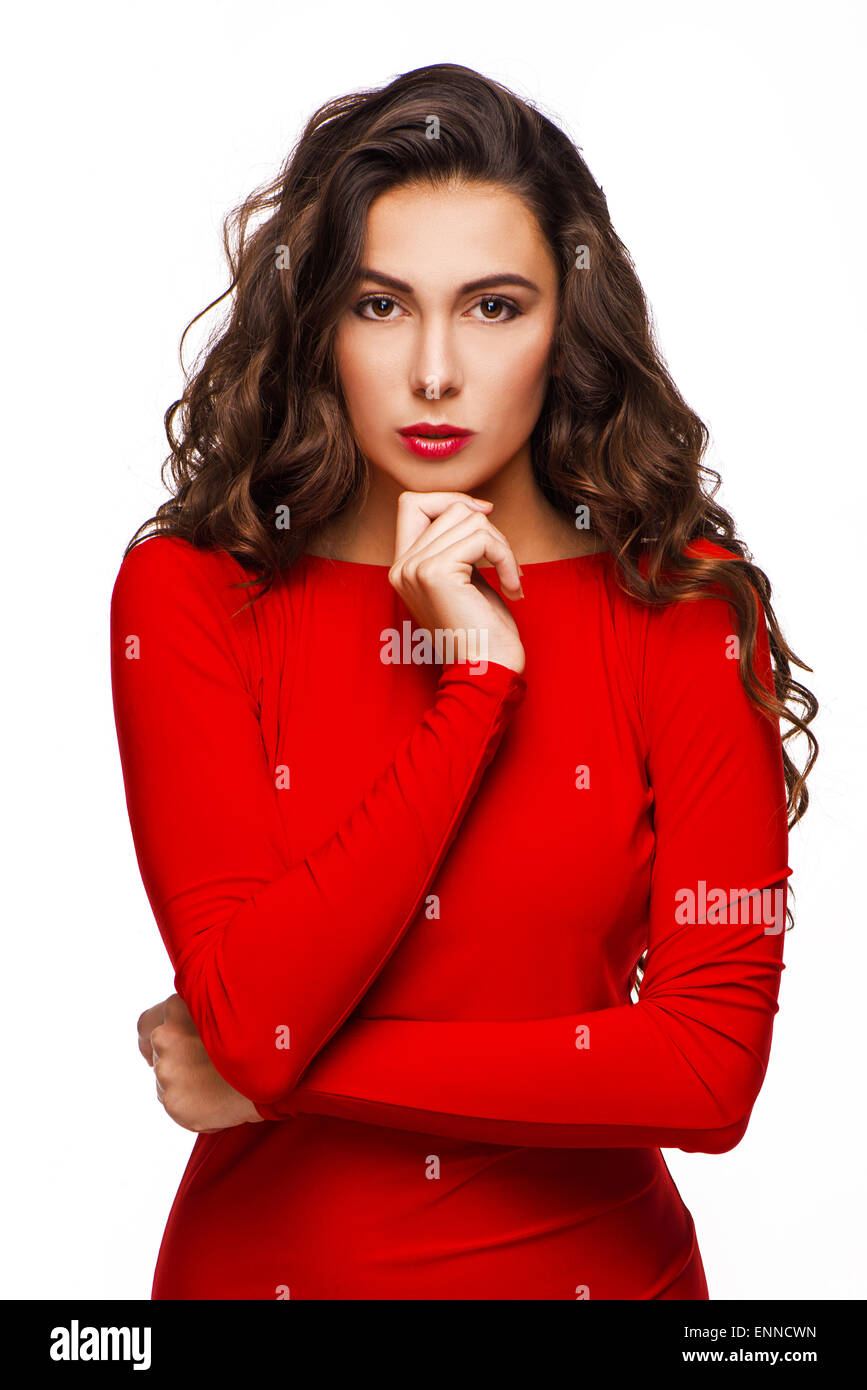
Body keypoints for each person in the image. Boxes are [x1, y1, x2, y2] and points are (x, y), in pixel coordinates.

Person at [111, 63, 817, 1300]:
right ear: (320, 322)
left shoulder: (687, 603)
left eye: (494, 307)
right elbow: (254, 1006)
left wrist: (293, 1073)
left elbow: (709, 1074)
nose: (435, 370)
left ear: (570, 324)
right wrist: (476, 690)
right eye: (382, 307)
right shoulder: (192, 593)